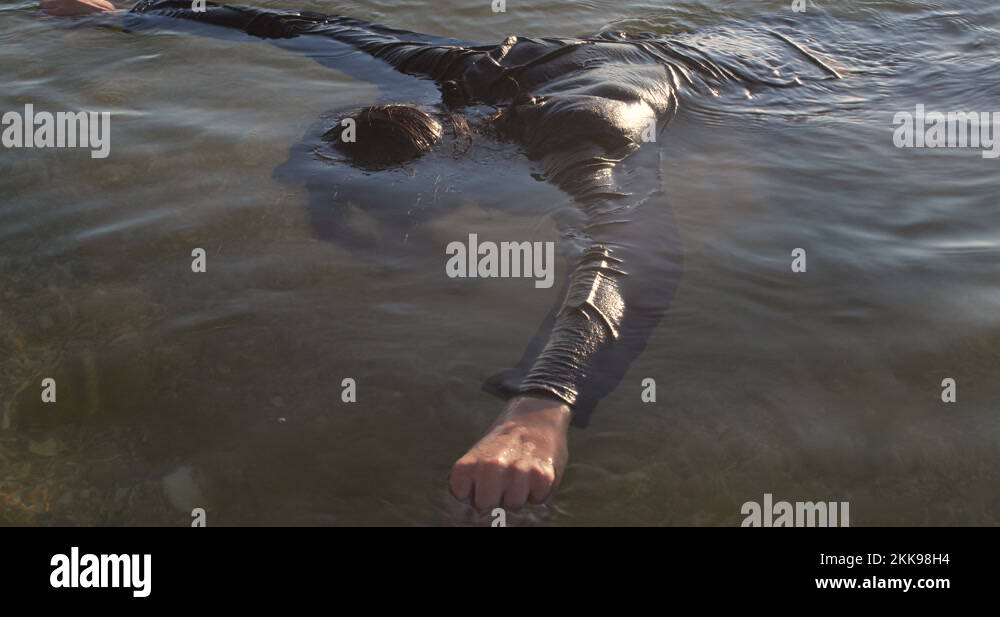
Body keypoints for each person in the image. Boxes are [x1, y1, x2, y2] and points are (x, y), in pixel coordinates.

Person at [37, 0, 841, 511]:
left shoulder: (593, 133)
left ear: (436, 183)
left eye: (377, 214)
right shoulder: (460, 73)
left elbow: (636, 252)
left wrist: (540, 407)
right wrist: (132, 13)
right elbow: (305, 26)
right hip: (697, 40)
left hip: (813, 74)